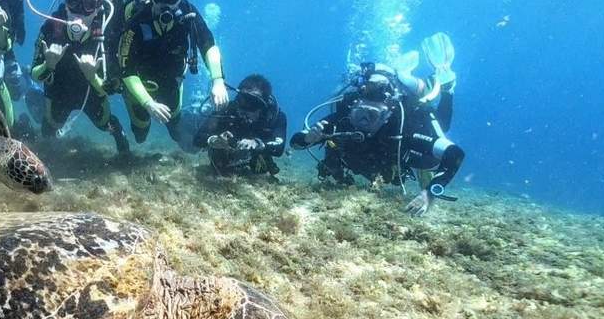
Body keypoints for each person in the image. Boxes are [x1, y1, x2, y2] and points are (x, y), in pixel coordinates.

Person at [290, 44, 463, 216]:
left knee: (434, 147)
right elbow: (295, 144)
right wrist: (308, 139)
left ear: (387, 115)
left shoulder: (403, 129)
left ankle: (447, 90)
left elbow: (454, 154)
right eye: (359, 115)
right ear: (353, 108)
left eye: (372, 116)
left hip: (403, 158)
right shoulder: (343, 122)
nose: (363, 122)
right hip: (373, 165)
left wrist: (430, 193)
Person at [117, 0, 229, 145]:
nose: (165, 1)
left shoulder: (189, 14)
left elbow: (208, 45)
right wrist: (148, 103)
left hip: (171, 83)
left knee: (176, 128)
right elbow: (126, 69)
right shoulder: (137, 19)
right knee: (140, 134)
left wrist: (218, 81)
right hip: (140, 86)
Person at [29, 0, 130, 156]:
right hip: (59, 89)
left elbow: (112, 88)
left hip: (91, 92)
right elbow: (35, 73)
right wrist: (48, 65)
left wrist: (92, 76)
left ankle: (118, 134)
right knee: (49, 128)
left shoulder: (106, 33)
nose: (80, 11)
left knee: (105, 123)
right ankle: (35, 102)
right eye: (74, 2)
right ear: (66, 3)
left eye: (88, 5)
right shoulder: (51, 27)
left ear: (98, 7)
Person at [193, 74, 287, 177]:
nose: (245, 109)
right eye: (242, 100)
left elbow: (279, 148)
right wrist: (214, 140)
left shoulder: (275, 117)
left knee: (260, 167)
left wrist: (257, 143)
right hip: (225, 165)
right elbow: (198, 139)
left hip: (255, 167)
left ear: (263, 106)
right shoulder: (227, 110)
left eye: (253, 103)